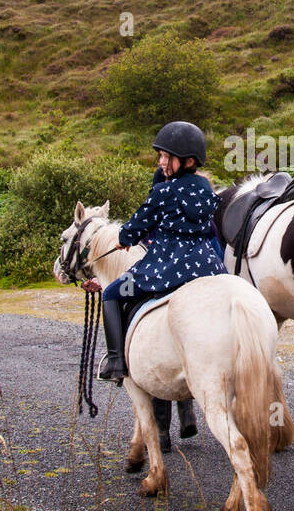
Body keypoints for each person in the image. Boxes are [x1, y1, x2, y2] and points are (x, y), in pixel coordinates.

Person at [91, 121, 225, 385]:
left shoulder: (163, 191)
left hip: (167, 265)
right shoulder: (205, 187)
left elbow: (137, 225)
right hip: (208, 264)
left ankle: (116, 361)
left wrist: (123, 239)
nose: (161, 162)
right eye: (161, 156)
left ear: (186, 161)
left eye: (166, 156)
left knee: (111, 293)